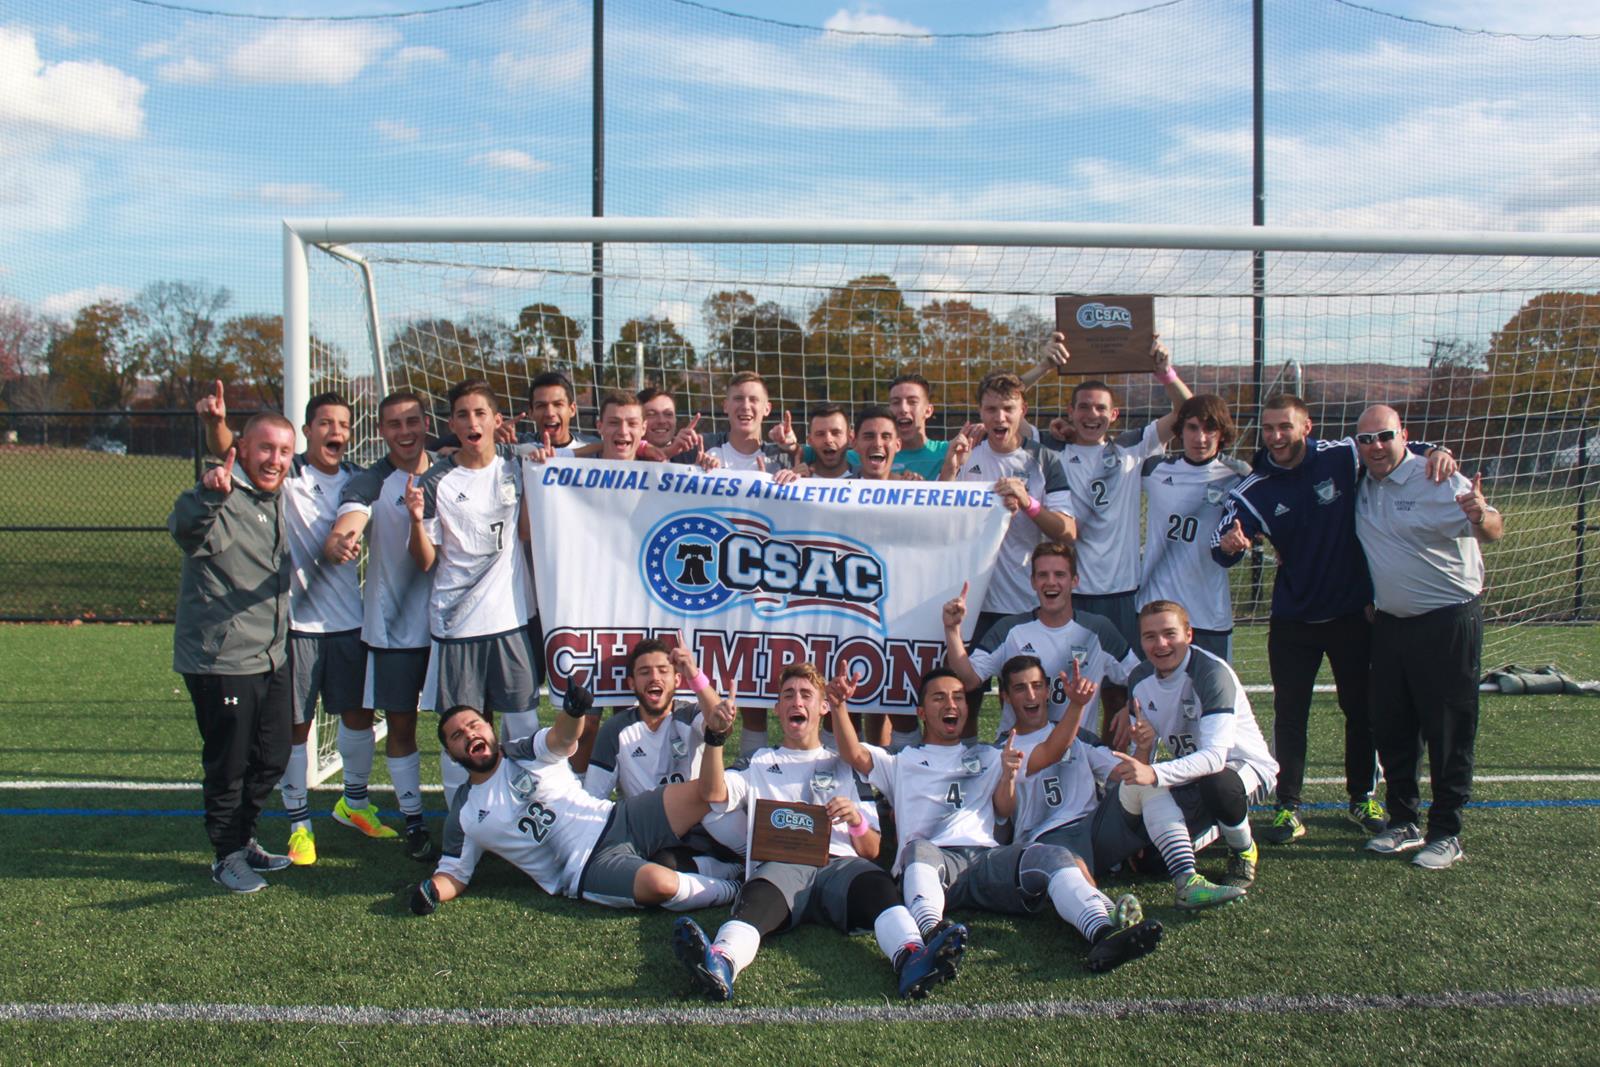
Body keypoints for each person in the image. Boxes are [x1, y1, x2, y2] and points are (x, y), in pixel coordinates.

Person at [1211, 393, 1456, 846]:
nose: (1275, 437)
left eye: (1285, 427)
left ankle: (1362, 795)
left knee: (1362, 711)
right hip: (1293, 621)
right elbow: (1222, 540)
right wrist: (1229, 546)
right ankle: (1289, 805)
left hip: (1352, 614)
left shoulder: (1341, 456)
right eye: (1268, 429)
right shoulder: (1255, 487)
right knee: (1290, 714)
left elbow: (1393, 447)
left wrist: (1433, 451)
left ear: (1307, 427)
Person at [830, 667, 1164, 974]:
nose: (952, 704)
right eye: (939, 697)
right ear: (922, 713)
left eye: (958, 697)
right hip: (932, 864)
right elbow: (854, 754)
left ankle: (1103, 931)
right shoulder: (901, 761)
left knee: (1052, 855)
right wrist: (839, 706)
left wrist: (1076, 707)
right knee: (917, 850)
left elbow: (1049, 751)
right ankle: (934, 934)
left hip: (986, 860)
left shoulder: (990, 755)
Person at [671, 661, 963, 1002]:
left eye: (807, 695)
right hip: (781, 866)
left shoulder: (845, 765)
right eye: (788, 695)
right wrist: (716, 739)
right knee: (756, 900)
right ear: (777, 708)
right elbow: (712, 792)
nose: (797, 702)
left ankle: (912, 956)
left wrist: (856, 820)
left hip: (840, 865)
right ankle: (721, 962)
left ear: (823, 707)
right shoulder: (758, 761)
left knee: (878, 886)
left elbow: (870, 850)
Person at [200, 384, 378, 865]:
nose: (335, 431)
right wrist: (216, 421)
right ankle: (300, 825)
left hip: (349, 624)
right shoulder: (290, 474)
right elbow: (232, 450)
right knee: (296, 728)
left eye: (343, 424)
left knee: (358, 718)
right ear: (307, 432)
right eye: (325, 423)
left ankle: (354, 804)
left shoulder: (360, 481)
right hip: (296, 626)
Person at [408, 692, 740, 916]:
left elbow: (563, 738)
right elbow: (454, 872)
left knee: (708, 791)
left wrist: (574, 710)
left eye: (474, 725)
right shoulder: (465, 814)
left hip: (615, 817)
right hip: (585, 868)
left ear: (490, 730)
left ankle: (750, 853)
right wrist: (431, 891)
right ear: (452, 755)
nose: (468, 734)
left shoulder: (523, 751)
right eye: (457, 736)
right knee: (663, 884)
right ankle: (735, 887)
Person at [1353, 405, 1502, 870]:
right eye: (1366, 439)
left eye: (1385, 437)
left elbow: (1493, 530)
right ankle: (1403, 820)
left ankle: (1447, 831)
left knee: (1448, 729)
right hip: (1392, 626)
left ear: (1405, 436)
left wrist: (1481, 515)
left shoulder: (1437, 479)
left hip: (1447, 622)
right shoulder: (1362, 482)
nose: (1375, 446)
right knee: (1393, 725)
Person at [169, 411, 295, 892]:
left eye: (284, 451)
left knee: (274, 755)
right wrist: (208, 494)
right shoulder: (219, 496)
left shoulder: (278, 495)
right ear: (241, 448)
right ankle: (225, 855)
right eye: (265, 449)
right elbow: (184, 529)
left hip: (271, 654)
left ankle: (244, 839)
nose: (275, 460)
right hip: (222, 659)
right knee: (230, 763)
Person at [407, 379, 542, 798]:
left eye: (480, 413)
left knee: (524, 723)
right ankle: (460, 827)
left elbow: (580, 450)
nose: (472, 422)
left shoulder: (517, 466)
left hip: (511, 620)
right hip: (456, 626)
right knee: (459, 731)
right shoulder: (435, 482)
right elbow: (426, 561)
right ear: (452, 424)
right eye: (462, 415)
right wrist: (414, 521)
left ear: (496, 420)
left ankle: (529, 809)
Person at [324, 390, 436, 860]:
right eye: (394, 424)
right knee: (403, 725)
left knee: (469, 722)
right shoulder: (373, 481)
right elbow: (351, 516)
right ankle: (413, 819)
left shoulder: (453, 467)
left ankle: (479, 809)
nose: (405, 431)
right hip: (398, 630)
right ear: (382, 429)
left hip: (459, 627)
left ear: (426, 422)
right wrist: (341, 540)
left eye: (412, 421)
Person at [1107, 601, 1278, 906]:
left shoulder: (1211, 673)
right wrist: (1144, 749)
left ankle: (1243, 849)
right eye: (1150, 636)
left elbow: (1214, 758)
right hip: (1192, 776)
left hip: (1242, 770)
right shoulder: (1139, 680)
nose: (1160, 644)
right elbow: (1141, 762)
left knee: (1218, 784)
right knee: (1152, 863)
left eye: (1169, 634)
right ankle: (1216, 828)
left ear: (1189, 634)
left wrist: (1156, 773)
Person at [941, 370, 1076, 734]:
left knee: (1024, 700)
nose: (999, 418)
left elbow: (1068, 531)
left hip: (1023, 602)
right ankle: (963, 772)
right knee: (963, 697)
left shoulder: (1044, 460)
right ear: (980, 412)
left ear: (1022, 411)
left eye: (1007, 408)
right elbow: (937, 518)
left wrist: (1029, 502)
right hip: (974, 603)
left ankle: (1021, 774)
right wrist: (951, 470)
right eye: (991, 409)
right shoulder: (966, 455)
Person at [1045, 335, 1192, 651]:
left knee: (1121, 688)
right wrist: (1045, 365)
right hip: (1074, 591)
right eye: (1083, 407)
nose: (1091, 415)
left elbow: (1188, 412)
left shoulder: (1130, 448)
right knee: (1073, 683)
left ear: (1114, 415)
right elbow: (1008, 406)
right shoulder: (1053, 451)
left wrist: (1165, 372)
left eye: (1100, 408)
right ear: (1070, 411)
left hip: (1123, 590)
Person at [942, 541, 1137, 741]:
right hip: (1018, 753)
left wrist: (1129, 709)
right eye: (1043, 575)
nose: (1051, 582)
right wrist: (952, 630)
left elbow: (1143, 677)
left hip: (1077, 752)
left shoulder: (1098, 630)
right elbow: (968, 679)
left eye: (1059, 575)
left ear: (1074, 581)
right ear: (1033, 582)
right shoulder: (1009, 629)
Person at [582, 638, 745, 875]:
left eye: (663, 671)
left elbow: (718, 724)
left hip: (703, 826)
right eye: (644, 672)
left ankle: (734, 866)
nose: (654, 678)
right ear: (632, 683)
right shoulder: (615, 730)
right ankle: (731, 874)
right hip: (651, 834)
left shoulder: (689, 714)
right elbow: (593, 798)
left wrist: (693, 672)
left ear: (677, 680)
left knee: (724, 819)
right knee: (661, 864)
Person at [1139, 395, 1251, 661]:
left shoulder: (1238, 475)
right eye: (1192, 427)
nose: (1201, 438)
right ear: (1180, 430)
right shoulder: (1154, 469)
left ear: (1222, 432)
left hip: (1208, 611)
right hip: (1157, 608)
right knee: (1156, 696)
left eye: (1210, 428)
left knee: (1212, 698)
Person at [792, 402, 856, 479]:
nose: (828, 440)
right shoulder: (797, 480)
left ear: (850, 437)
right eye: (820, 434)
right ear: (810, 440)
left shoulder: (866, 478)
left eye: (836, 433)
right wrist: (794, 484)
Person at [638, 386, 680, 451]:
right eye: (651, 414)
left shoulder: (691, 455)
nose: (661, 421)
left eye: (668, 414)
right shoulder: (624, 457)